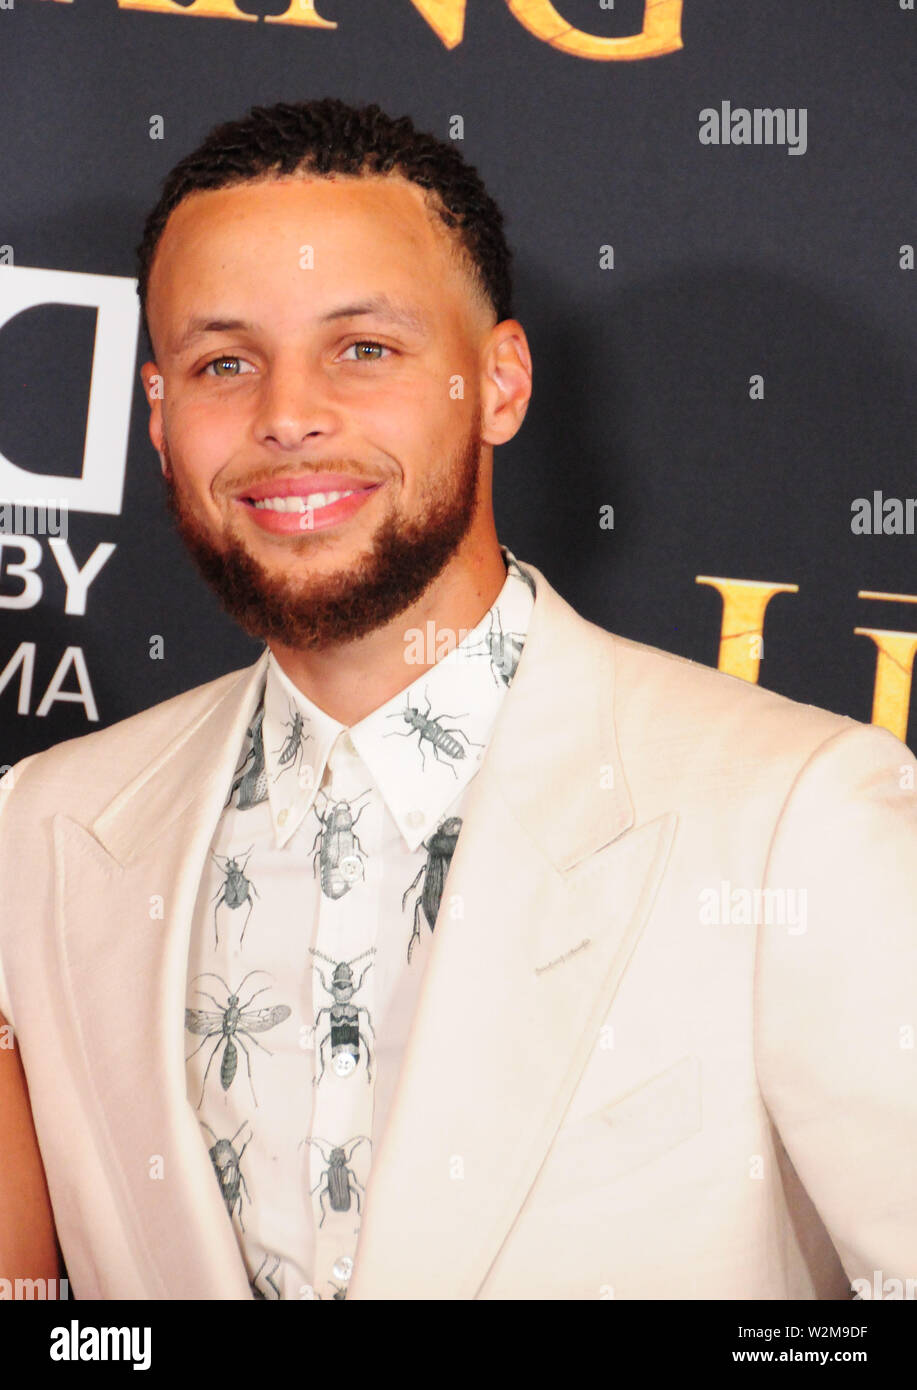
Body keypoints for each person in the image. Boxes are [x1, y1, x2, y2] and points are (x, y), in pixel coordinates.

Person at [1, 98, 915, 1301]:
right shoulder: (46, 826)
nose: (287, 415)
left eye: (362, 348)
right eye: (225, 362)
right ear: (159, 418)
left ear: (497, 382)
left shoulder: (796, 813)